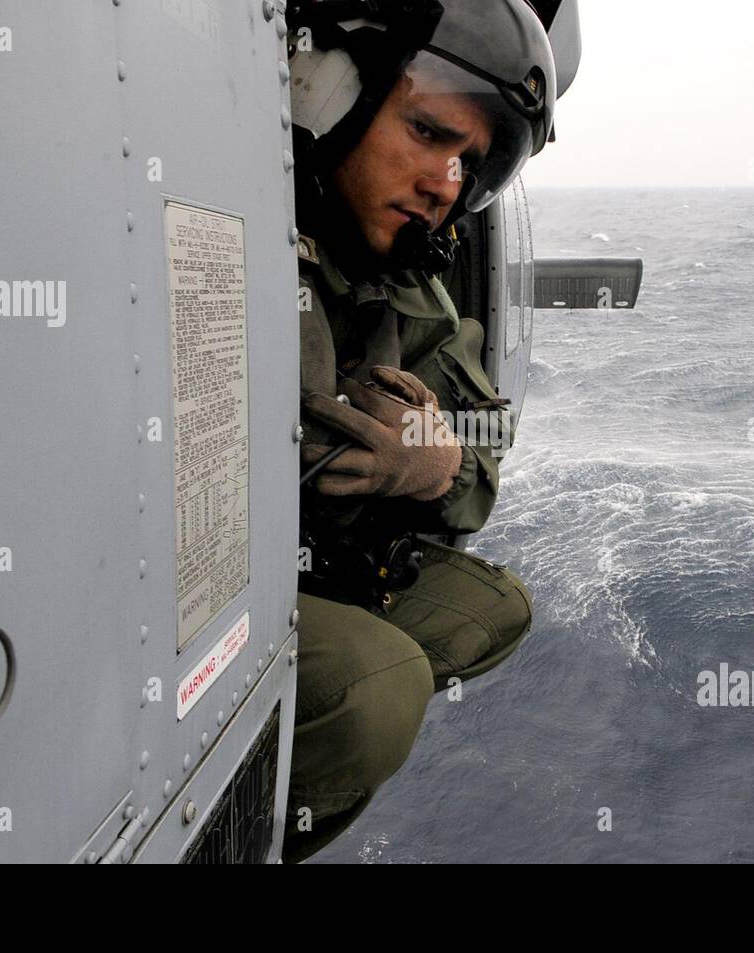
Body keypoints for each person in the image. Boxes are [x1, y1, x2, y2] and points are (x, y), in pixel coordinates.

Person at [281, 0, 557, 862]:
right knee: (378, 690)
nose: (446, 182)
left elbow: (479, 456)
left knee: (493, 608)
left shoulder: (401, 282)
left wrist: (435, 465)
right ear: (329, 96)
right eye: (429, 132)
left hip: (308, 556)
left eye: (467, 161)